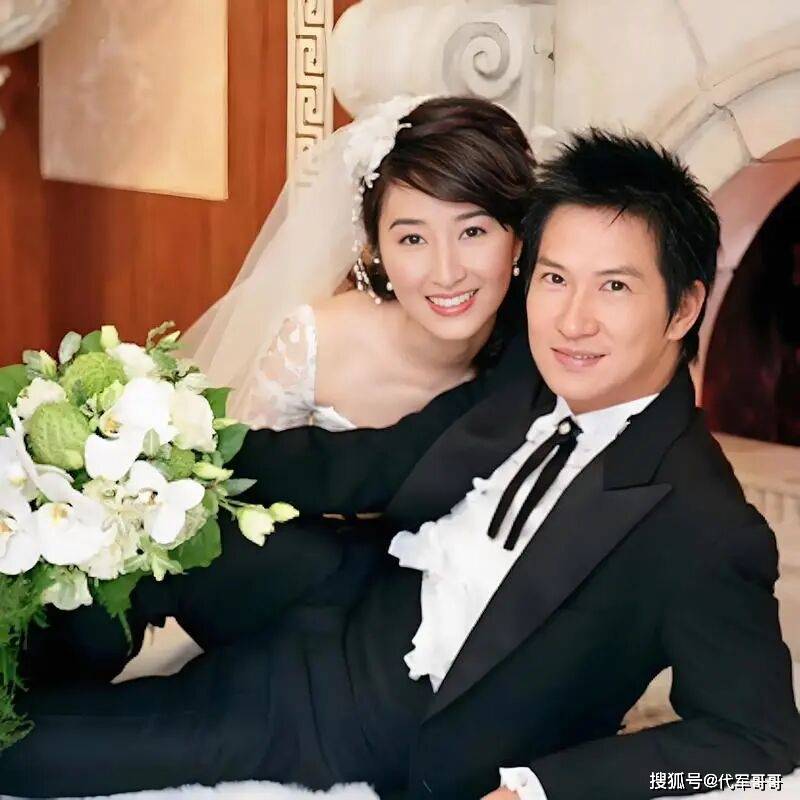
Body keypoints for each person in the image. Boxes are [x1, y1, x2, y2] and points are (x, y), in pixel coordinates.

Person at [5, 130, 799, 800]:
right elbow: (370, 463)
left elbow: (761, 748)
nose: (572, 319)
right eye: (555, 279)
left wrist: (545, 788)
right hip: (340, 588)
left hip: (352, 717)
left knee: (25, 748)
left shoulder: (703, 524)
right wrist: (170, 445)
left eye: (615, 287)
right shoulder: (534, 371)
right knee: (139, 524)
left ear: (684, 307)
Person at [184, 95, 536, 431]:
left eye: (472, 232)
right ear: (376, 248)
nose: (447, 273)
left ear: (518, 240)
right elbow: (251, 467)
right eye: (413, 239)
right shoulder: (312, 347)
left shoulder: (544, 349)